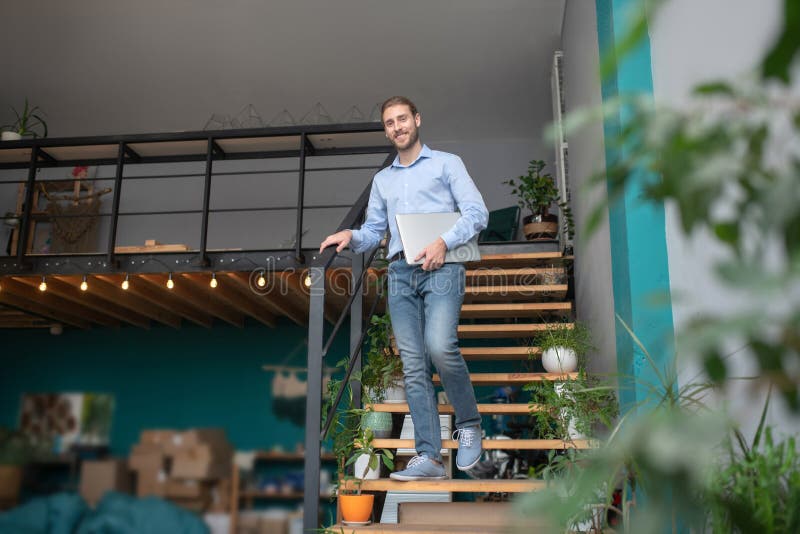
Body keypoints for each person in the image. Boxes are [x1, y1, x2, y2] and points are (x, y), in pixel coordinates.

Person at [319, 96, 488, 480]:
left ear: (417, 120)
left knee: (440, 346)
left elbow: (478, 212)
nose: (397, 127)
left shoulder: (447, 164)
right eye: (389, 123)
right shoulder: (383, 180)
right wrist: (351, 234)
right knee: (412, 364)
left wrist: (443, 242)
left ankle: (470, 424)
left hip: (443, 266)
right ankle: (428, 456)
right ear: (386, 131)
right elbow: (375, 232)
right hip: (400, 273)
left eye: (402, 119)